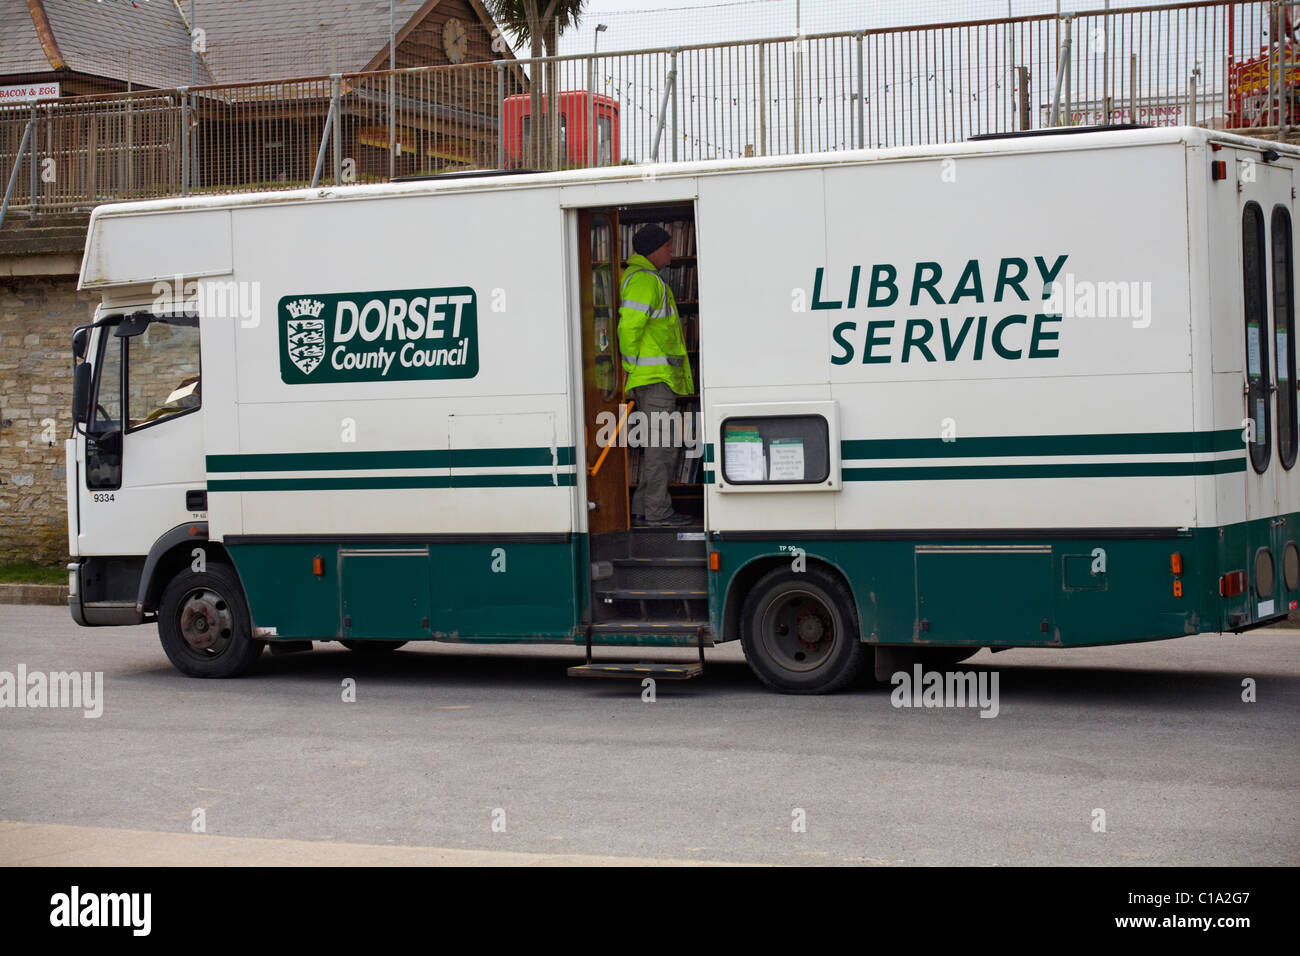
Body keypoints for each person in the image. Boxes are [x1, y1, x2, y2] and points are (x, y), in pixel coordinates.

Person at [618, 224, 695, 527]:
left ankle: (642, 509)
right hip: (653, 380)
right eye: (667, 246)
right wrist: (630, 366)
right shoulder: (646, 281)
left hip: (653, 379)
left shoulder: (645, 280)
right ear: (653, 250)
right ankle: (657, 513)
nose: (671, 251)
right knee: (660, 448)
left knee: (659, 445)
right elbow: (628, 328)